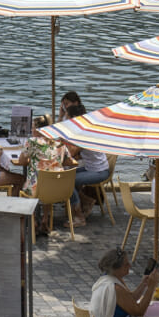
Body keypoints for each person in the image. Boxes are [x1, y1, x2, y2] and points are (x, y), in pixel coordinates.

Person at [90, 246, 159, 317]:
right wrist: (151, 288)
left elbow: (129, 299)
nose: (130, 266)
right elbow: (138, 310)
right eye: (126, 264)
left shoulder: (107, 279)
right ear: (116, 268)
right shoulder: (116, 288)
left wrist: (143, 284)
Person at [58, 90, 110, 221]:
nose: (68, 120)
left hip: (99, 171)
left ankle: (79, 216)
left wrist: (64, 138)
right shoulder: (84, 128)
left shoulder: (83, 134)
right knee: (67, 174)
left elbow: (71, 153)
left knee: (66, 180)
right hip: (92, 167)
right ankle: (85, 202)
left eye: (69, 118)